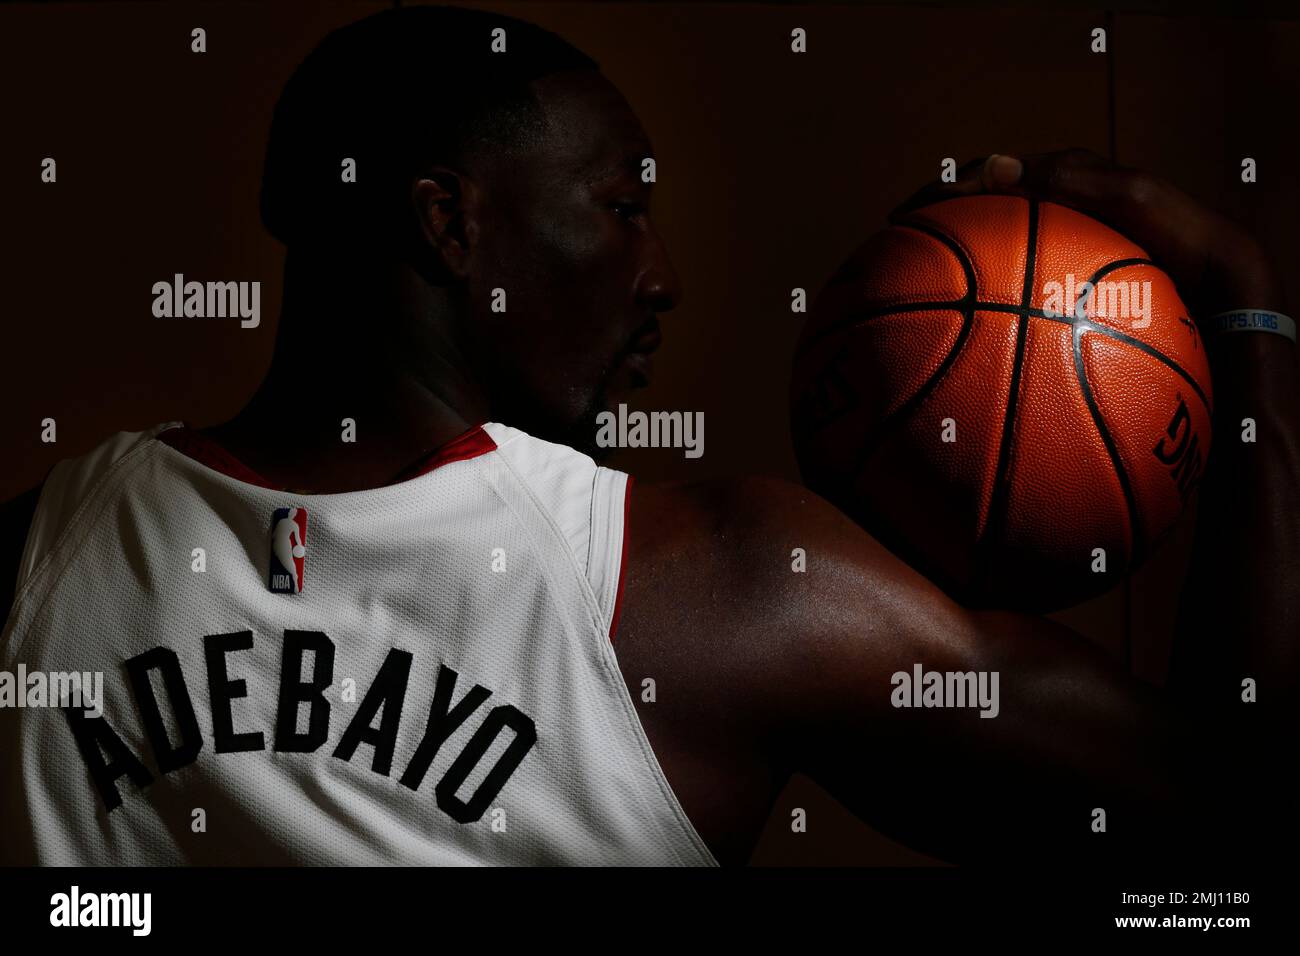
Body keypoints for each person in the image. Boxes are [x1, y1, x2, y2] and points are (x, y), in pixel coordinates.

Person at [1, 6, 1294, 866]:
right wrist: (1244, 314)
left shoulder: (33, 563)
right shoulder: (715, 587)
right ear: (449, 228)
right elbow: (1229, 814)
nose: (662, 274)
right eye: (622, 206)